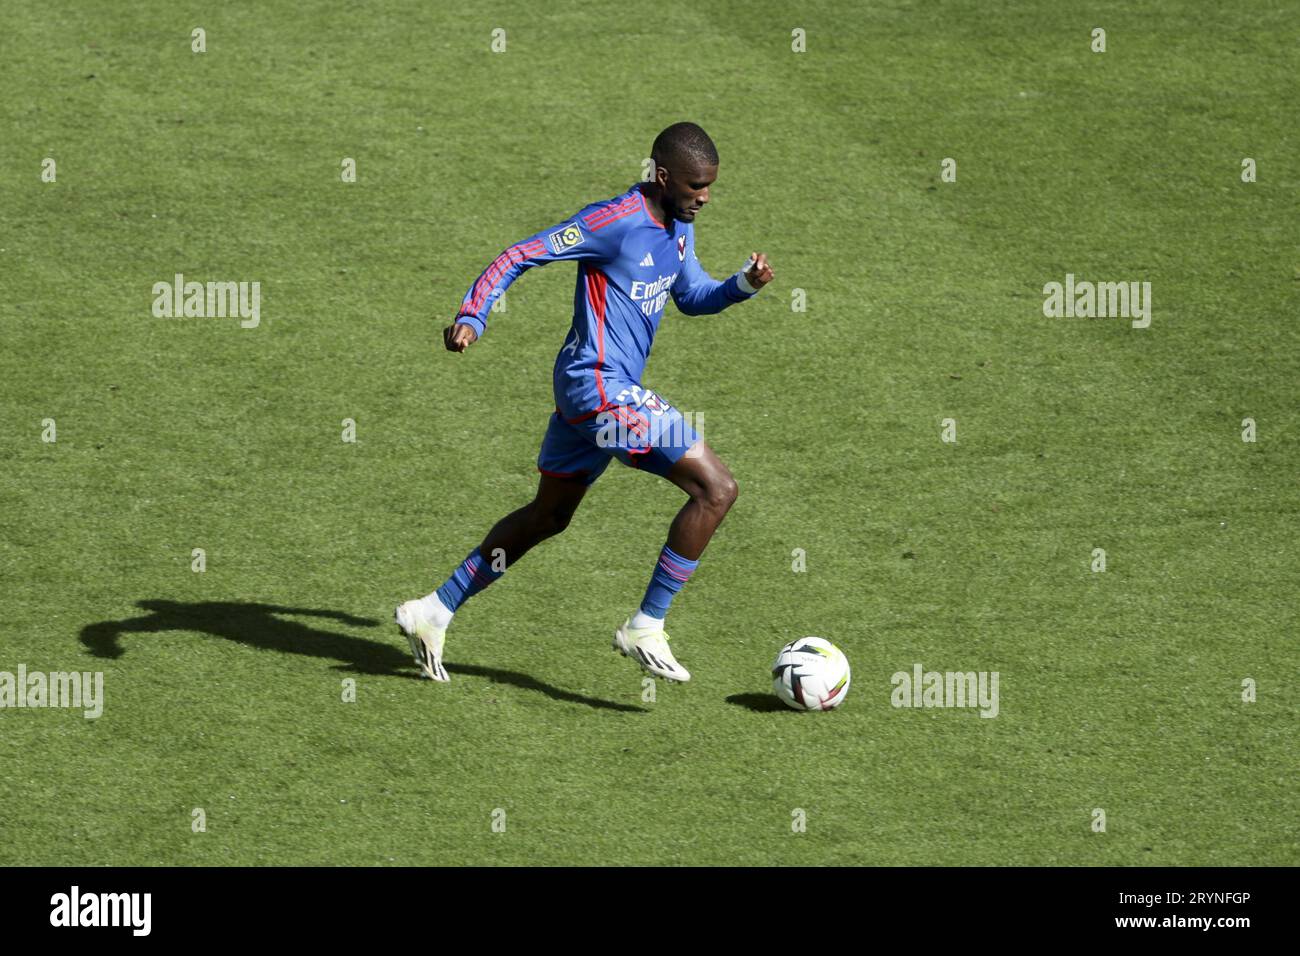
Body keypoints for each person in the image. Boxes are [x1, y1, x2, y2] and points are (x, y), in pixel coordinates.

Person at [396, 122, 774, 684]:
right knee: (717, 489)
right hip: (599, 389)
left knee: (549, 516)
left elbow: (692, 298)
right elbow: (521, 254)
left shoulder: (679, 225)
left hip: (590, 399)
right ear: (663, 176)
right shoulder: (613, 222)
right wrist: (474, 315)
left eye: (711, 186)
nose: (705, 197)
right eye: (696, 185)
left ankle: (433, 609)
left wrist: (742, 284)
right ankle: (647, 625)